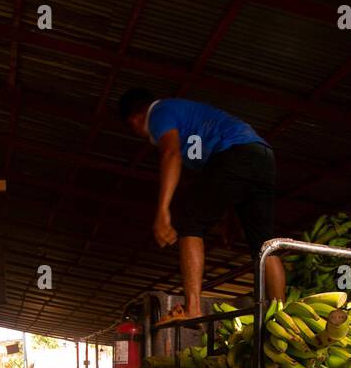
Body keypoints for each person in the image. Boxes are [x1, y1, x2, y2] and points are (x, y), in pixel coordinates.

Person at [120, 88, 286, 322]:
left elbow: (171, 154)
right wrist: (230, 218)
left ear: (135, 119)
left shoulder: (158, 113)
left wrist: (162, 211)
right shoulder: (187, 116)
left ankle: (193, 308)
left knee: (189, 223)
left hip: (236, 153)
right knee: (264, 243)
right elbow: (224, 181)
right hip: (263, 156)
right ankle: (282, 316)